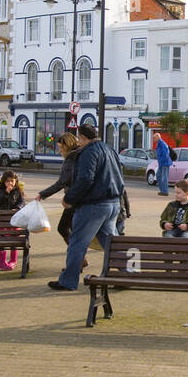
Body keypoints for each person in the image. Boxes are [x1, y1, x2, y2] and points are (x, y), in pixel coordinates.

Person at [35, 122, 123, 292]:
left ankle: (68, 281)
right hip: (113, 203)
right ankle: (127, 273)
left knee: (77, 242)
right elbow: (118, 174)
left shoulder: (88, 152)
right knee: (109, 242)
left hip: (94, 205)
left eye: (79, 138)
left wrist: (70, 198)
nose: (78, 141)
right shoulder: (109, 149)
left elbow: (85, 179)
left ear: (83, 137)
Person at [38, 132, 83, 249]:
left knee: (63, 228)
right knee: (74, 230)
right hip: (79, 198)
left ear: (67, 146)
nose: (60, 151)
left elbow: (62, 182)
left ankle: (79, 259)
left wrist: (42, 194)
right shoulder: (80, 155)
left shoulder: (71, 158)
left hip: (73, 199)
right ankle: (78, 260)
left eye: (61, 148)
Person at [0, 170, 25, 271]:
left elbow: (22, 202)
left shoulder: (18, 191)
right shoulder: (1, 190)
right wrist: (6, 192)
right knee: (2, 240)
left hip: (14, 219)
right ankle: (2, 262)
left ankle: (13, 261)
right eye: (7, 181)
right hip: (3, 220)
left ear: (16, 181)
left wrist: (18, 208)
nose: (10, 183)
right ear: (3, 182)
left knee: (14, 239)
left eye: (12, 181)